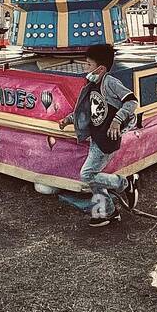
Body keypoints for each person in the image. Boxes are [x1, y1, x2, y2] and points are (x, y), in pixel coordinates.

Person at [57, 43, 137, 227]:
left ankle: (125, 183)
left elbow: (131, 101)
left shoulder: (110, 82)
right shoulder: (92, 83)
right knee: (94, 179)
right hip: (96, 137)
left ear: (100, 68)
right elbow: (86, 110)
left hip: (107, 139)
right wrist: (69, 120)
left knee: (87, 175)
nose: (85, 68)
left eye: (88, 65)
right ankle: (108, 212)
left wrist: (117, 120)